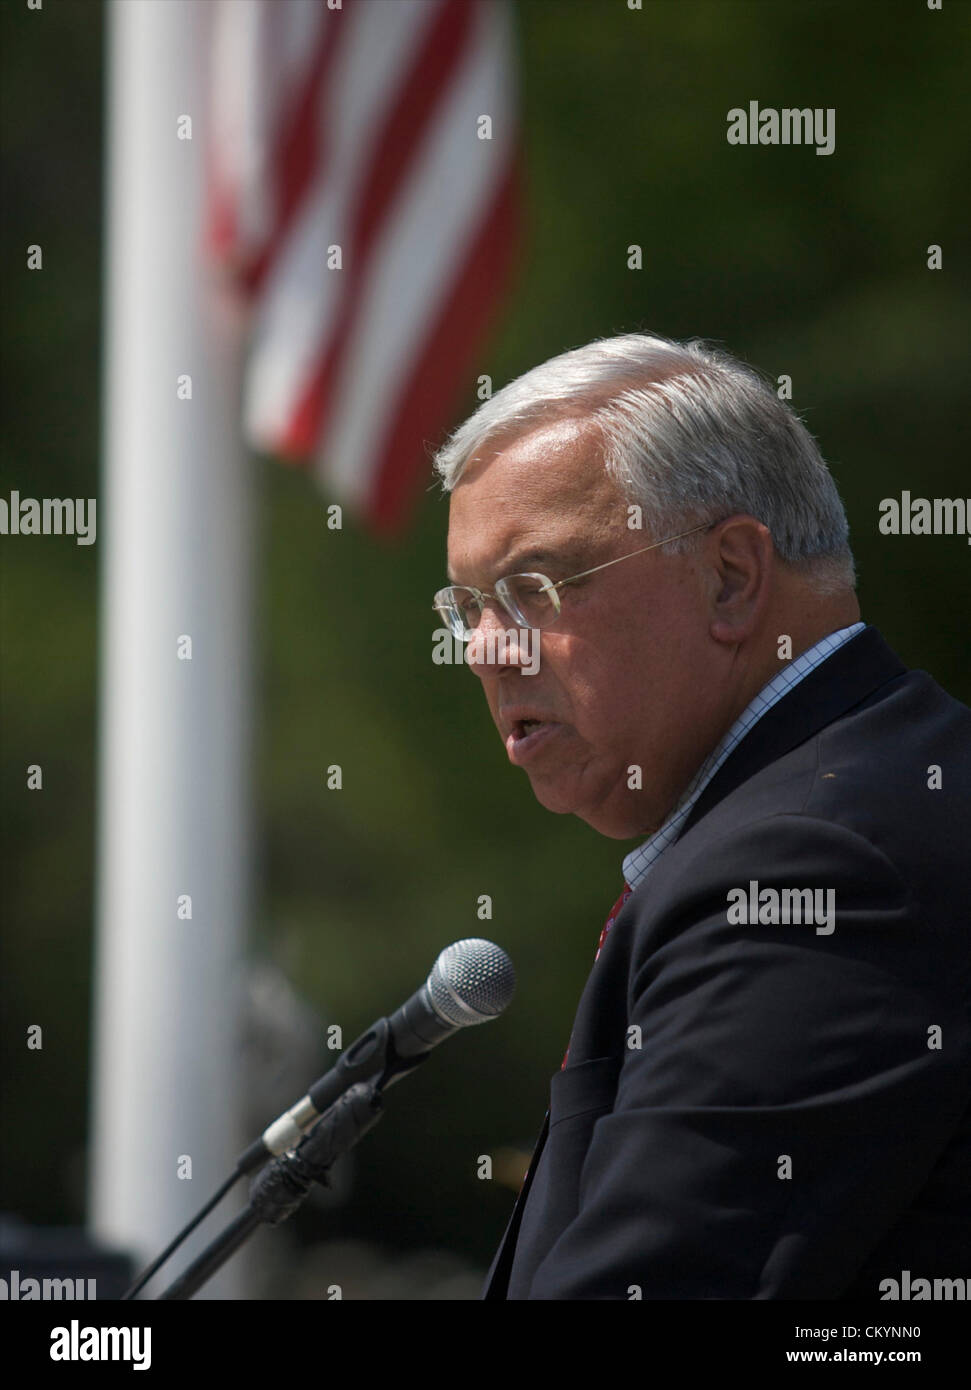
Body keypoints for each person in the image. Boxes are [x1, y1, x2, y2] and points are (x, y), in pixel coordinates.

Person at [431, 331, 971, 1300]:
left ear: (729, 574)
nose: (483, 650)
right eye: (466, 606)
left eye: (532, 586)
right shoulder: (874, 784)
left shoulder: (818, 866)